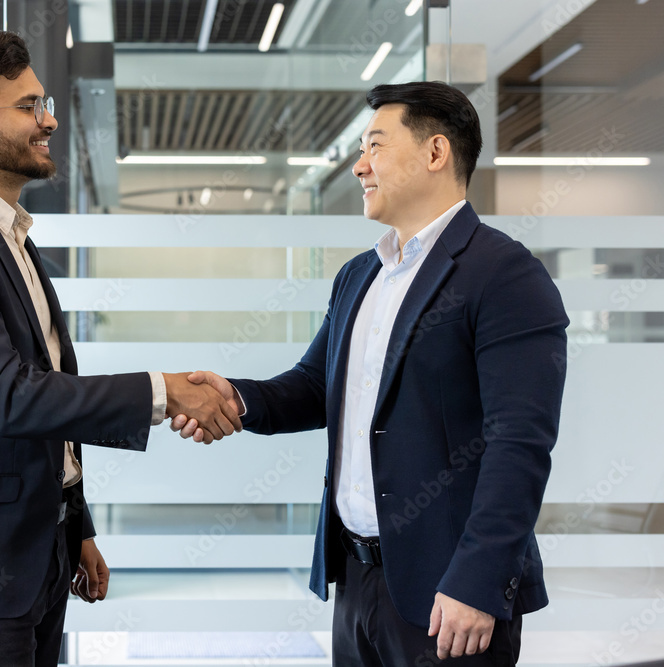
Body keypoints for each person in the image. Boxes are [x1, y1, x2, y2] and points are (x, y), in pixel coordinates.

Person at [172, 81, 568, 665]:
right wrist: (235, 398)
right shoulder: (361, 275)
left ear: (436, 153)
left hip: (448, 596)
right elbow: (313, 387)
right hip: (357, 583)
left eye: (375, 146)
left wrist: (477, 582)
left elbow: (521, 446)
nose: (358, 166)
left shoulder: (504, 274)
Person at [0, 31, 241, 667]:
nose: (48, 120)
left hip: (38, 549)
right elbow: (7, 397)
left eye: (43, 103)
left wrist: (76, 528)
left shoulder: (10, 234)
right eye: (28, 107)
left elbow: (45, 397)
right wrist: (163, 392)